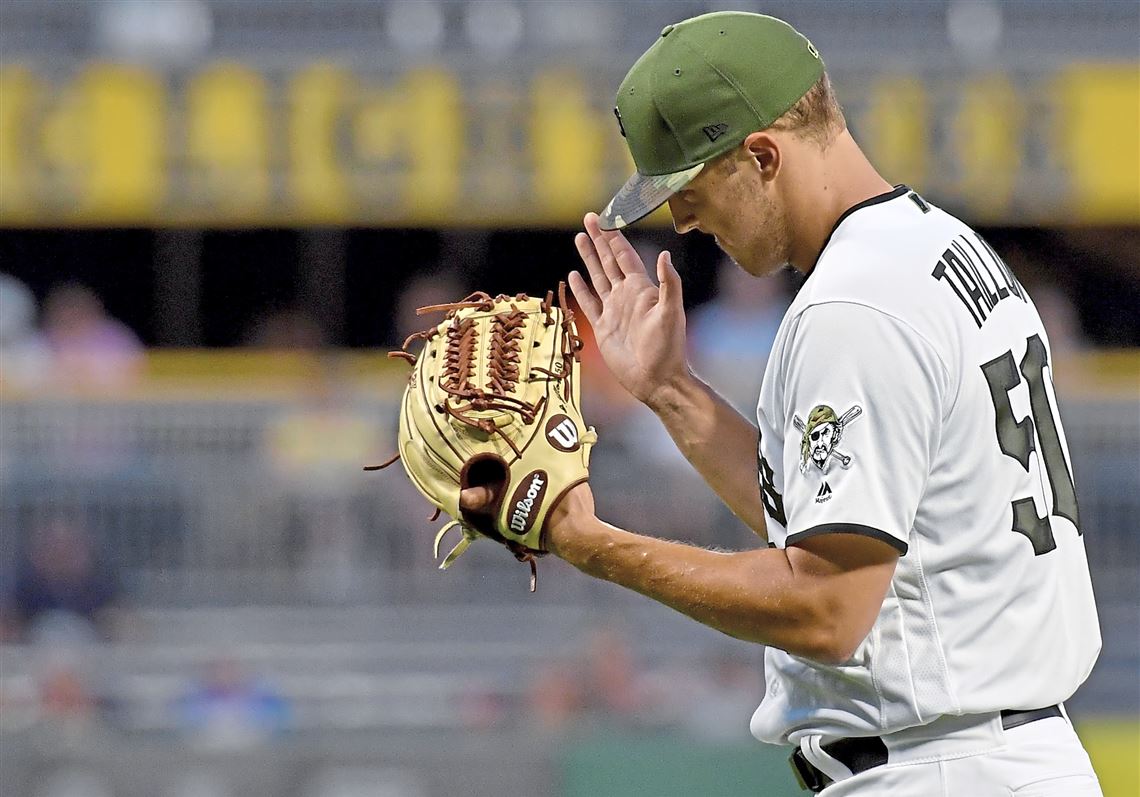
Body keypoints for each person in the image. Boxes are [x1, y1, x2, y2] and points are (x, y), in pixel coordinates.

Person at [465, 12, 1102, 796]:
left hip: (939, 765)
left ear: (763, 154)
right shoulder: (940, 247)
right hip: (989, 753)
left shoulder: (853, 308)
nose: (683, 220)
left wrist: (590, 544)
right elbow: (824, 526)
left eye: (690, 190)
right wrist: (671, 390)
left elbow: (827, 608)